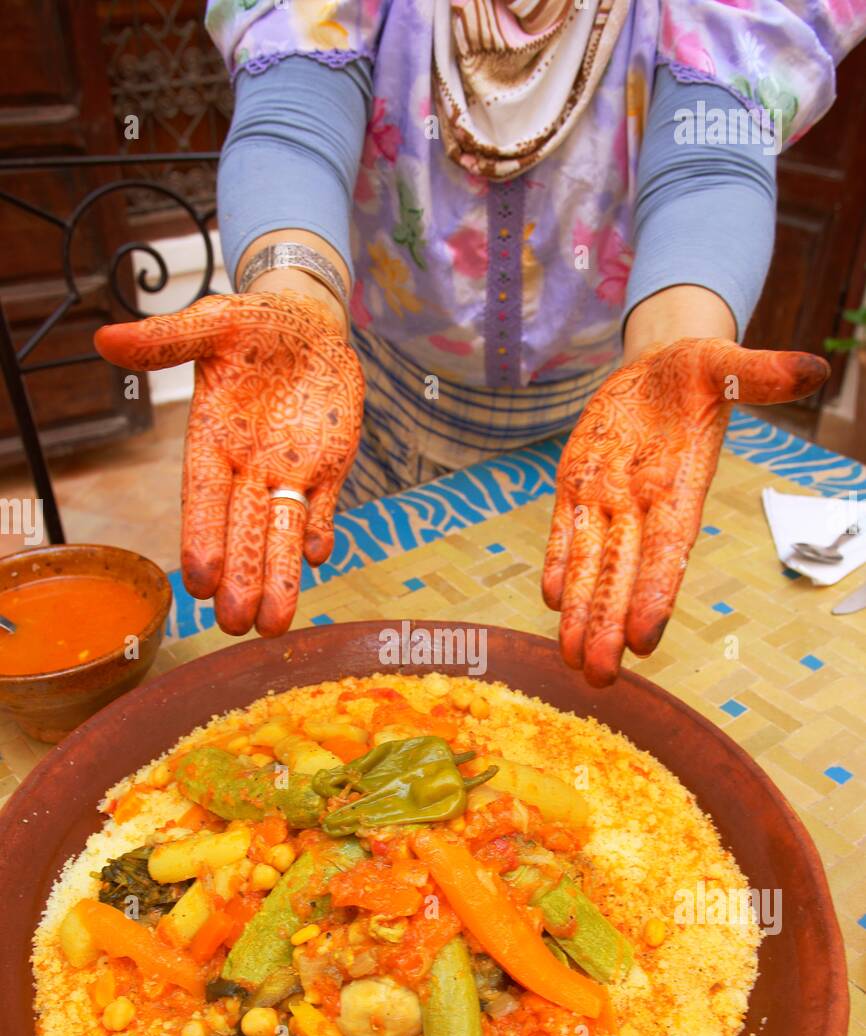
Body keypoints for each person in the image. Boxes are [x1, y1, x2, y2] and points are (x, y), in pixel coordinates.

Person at [95, 0, 866, 685]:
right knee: (372, 670)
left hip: (608, 444)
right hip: (365, 413)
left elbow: (707, 155)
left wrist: (676, 346)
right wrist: (290, 300)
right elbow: (295, 114)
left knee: (549, 693)